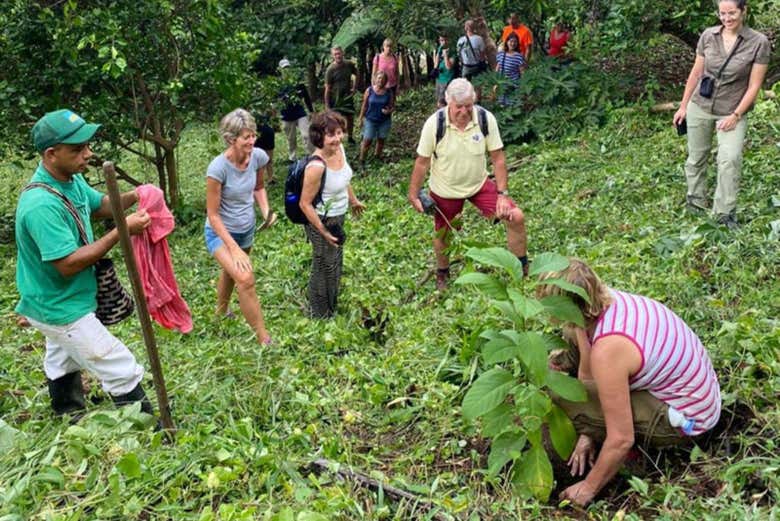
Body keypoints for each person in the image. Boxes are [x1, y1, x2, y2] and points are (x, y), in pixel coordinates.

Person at [536, 259, 721, 507]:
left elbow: (622, 438)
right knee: (571, 335)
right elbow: (586, 370)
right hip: (693, 391)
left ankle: (634, 460)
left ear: (566, 307)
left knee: (559, 395)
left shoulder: (608, 351)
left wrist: (587, 487)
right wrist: (589, 429)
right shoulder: (605, 301)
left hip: (687, 420)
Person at [15, 108, 155, 418]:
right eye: (77, 149)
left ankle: (67, 411)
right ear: (51, 154)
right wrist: (122, 230)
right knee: (114, 361)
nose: (87, 155)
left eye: (87, 146)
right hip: (58, 304)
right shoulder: (40, 205)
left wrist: (137, 194)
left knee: (62, 356)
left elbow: (102, 205)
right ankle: (149, 426)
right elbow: (67, 264)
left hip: (63, 297)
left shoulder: (69, 179)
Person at [407, 79, 528, 291]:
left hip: (478, 184)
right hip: (445, 188)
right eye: (458, 107)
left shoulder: (484, 119)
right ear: (448, 103)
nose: (464, 112)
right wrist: (414, 194)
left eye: (468, 106)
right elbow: (422, 162)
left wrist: (503, 194)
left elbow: (498, 158)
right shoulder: (434, 125)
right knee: (444, 233)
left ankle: (521, 267)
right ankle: (442, 273)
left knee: (515, 216)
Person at [672, 0, 769, 229]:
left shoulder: (758, 42)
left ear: (743, 11)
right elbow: (696, 73)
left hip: (732, 109)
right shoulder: (708, 36)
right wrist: (683, 105)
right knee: (696, 157)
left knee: (730, 159)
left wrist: (736, 115)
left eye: (732, 13)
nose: (727, 19)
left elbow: (754, 85)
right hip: (701, 105)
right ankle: (695, 201)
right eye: (723, 14)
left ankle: (724, 213)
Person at [205, 108, 272, 345]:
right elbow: (212, 215)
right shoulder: (218, 169)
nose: (252, 141)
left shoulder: (258, 157)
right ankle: (263, 338)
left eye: (253, 135)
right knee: (245, 279)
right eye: (246, 137)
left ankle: (221, 312)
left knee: (231, 273)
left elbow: (259, 188)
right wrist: (232, 247)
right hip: (220, 233)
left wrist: (265, 211)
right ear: (231, 139)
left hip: (246, 229)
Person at [299, 111, 365, 318]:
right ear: (320, 137)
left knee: (335, 260)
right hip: (320, 220)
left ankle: (332, 303)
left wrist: (353, 200)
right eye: (331, 135)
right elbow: (305, 204)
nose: (337, 139)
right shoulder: (316, 166)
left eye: (339, 133)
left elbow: (344, 179)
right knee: (323, 264)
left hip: (338, 216)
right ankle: (319, 312)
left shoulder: (340, 151)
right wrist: (322, 230)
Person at [277, 58, 315, 163]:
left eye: (288, 68)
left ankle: (312, 155)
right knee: (291, 138)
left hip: (299, 113)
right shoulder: (278, 84)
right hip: (286, 115)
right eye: (284, 68)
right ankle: (292, 157)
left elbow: (306, 97)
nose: (286, 70)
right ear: (280, 70)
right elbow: (275, 101)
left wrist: (311, 111)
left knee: (306, 134)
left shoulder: (298, 82)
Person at [357, 71, 395, 168]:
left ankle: (377, 156)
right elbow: (364, 105)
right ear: (375, 79)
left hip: (384, 120)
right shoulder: (369, 90)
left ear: (385, 81)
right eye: (379, 78)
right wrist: (361, 118)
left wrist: (389, 111)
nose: (380, 81)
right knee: (367, 140)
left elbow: (392, 106)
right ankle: (362, 160)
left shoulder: (389, 92)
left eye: (383, 79)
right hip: (370, 119)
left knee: (381, 139)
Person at [324, 46, 358, 144]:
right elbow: (327, 88)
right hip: (335, 99)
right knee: (337, 120)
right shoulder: (330, 69)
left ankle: (350, 137)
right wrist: (327, 105)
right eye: (335, 54)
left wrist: (355, 87)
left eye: (339, 53)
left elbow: (356, 73)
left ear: (343, 53)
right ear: (332, 56)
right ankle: (337, 138)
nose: (338, 56)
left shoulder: (349, 64)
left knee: (350, 117)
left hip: (347, 97)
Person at [495, 32, 527, 105]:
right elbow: (497, 69)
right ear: (507, 42)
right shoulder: (500, 54)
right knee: (501, 105)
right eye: (511, 41)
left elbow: (522, 72)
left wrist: (523, 85)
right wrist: (495, 82)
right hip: (502, 84)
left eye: (515, 42)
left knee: (511, 105)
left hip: (513, 85)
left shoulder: (518, 57)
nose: (513, 44)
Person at [433, 34, 455, 104]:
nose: (444, 42)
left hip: (447, 79)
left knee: (446, 101)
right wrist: (437, 53)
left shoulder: (452, 52)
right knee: (439, 101)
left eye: (445, 40)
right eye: (442, 40)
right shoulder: (439, 49)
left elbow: (448, 67)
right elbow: (435, 65)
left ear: (448, 40)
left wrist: (445, 55)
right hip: (439, 78)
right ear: (439, 41)